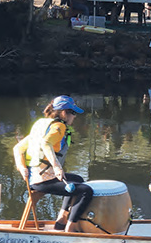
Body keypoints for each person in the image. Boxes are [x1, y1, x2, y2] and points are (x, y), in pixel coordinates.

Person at [13, 95, 93, 233]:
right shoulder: (58, 126)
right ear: (63, 113)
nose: (74, 117)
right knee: (86, 191)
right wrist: (57, 167)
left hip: (35, 178)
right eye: (72, 113)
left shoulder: (41, 124)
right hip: (45, 180)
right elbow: (46, 143)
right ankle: (70, 229)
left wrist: (22, 168)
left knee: (77, 180)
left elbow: (18, 148)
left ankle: (61, 221)